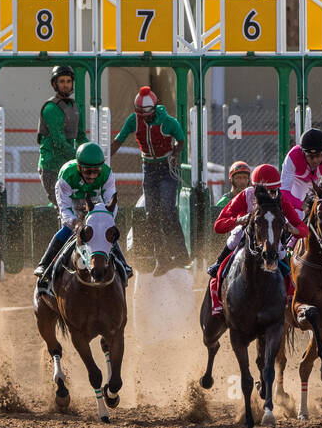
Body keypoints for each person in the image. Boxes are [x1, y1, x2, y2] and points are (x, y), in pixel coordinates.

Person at [204, 163, 308, 315]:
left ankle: (289, 298)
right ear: (255, 189)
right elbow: (218, 225)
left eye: (273, 191)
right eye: (264, 192)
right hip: (246, 235)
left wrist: (295, 229)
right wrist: (238, 221)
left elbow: (302, 228)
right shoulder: (245, 195)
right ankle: (216, 295)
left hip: (271, 238)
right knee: (234, 240)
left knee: (281, 253)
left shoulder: (281, 198)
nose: (270, 196)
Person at [111, 85, 188, 274]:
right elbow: (119, 139)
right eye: (141, 114)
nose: (144, 118)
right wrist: (104, 158)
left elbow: (181, 139)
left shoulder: (169, 122)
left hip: (166, 168)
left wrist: (176, 154)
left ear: (154, 108)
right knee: (151, 214)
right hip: (149, 168)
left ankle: (180, 255)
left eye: (148, 114)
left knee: (168, 210)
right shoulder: (133, 121)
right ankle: (161, 258)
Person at [33, 142, 130, 288]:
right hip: (73, 206)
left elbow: (111, 204)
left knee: (103, 232)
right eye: (87, 171)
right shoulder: (67, 175)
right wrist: (76, 223)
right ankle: (45, 264)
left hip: (96, 206)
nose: (92, 176)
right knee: (67, 231)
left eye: (96, 171)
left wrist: (102, 220)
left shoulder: (107, 174)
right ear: (79, 167)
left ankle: (123, 264)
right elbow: (64, 208)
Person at [37, 65, 87, 207]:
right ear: (55, 84)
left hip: (69, 165)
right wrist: (81, 159)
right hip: (51, 167)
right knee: (64, 207)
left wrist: (90, 152)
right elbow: (59, 142)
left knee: (80, 205)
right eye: (62, 81)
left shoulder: (76, 107)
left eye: (68, 81)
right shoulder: (51, 108)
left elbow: (81, 137)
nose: (66, 85)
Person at [280, 128, 322, 221]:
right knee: (297, 215)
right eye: (310, 156)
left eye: (318, 155)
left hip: (321, 180)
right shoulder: (293, 156)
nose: (315, 160)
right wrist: (302, 206)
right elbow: (284, 192)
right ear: (303, 153)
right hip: (298, 182)